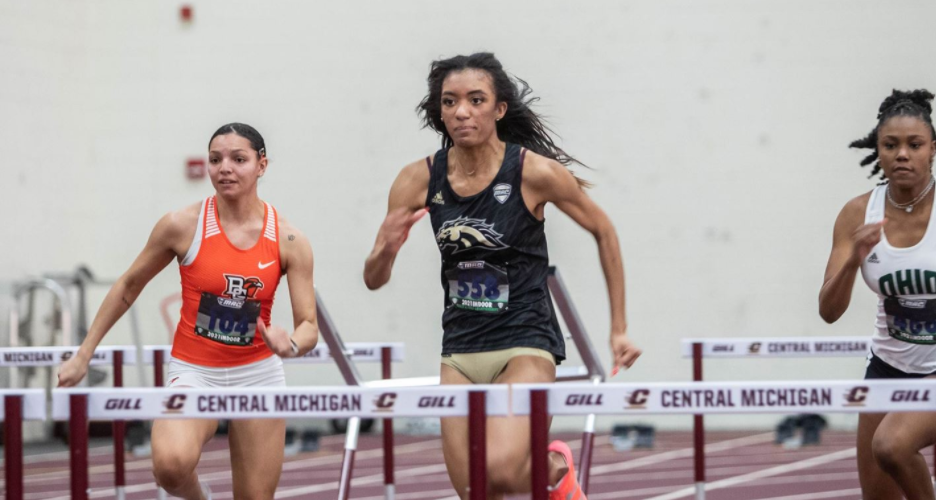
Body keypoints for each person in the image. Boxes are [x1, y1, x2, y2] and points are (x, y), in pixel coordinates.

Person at [364, 52, 641, 500]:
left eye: (476, 100)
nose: (462, 111)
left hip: (525, 340)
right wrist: (384, 248)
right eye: (450, 102)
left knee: (505, 474)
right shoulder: (417, 179)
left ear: (499, 109)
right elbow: (374, 279)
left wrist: (619, 328)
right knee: (476, 491)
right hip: (459, 349)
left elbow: (603, 230)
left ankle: (553, 466)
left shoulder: (533, 173)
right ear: (439, 110)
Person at [58, 123, 319, 500]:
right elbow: (128, 286)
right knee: (170, 465)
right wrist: (84, 354)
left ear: (262, 165)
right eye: (215, 159)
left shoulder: (290, 240)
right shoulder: (182, 226)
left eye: (238, 159)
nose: (224, 168)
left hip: (258, 375)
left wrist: (290, 344)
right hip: (196, 372)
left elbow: (308, 324)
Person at [819, 89, 936, 500]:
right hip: (887, 369)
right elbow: (828, 310)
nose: (902, 155)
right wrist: (855, 258)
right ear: (878, 150)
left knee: (891, 445)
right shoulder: (859, 213)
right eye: (890, 145)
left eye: (914, 145)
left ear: (933, 149)